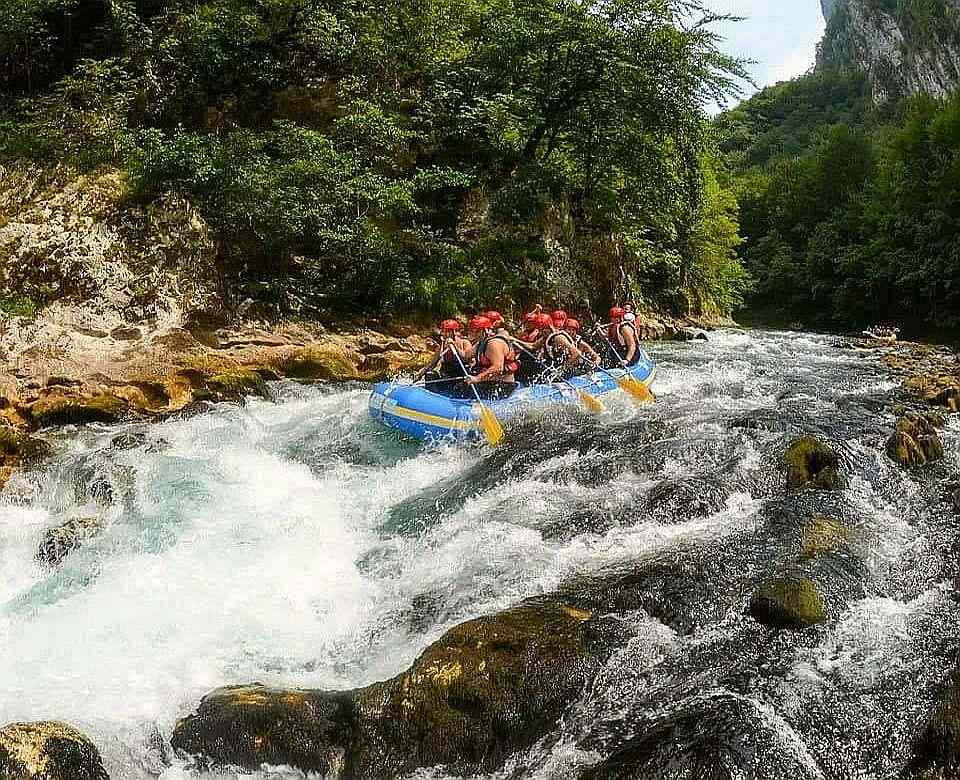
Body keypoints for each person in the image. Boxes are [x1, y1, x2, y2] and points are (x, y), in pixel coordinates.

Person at [455, 315, 519, 400]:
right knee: (459, 387)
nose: (471, 333)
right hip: (489, 382)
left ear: (483, 331)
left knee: (462, 390)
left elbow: (497, 368)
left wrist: (477, 378)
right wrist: (453, 344)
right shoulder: (481, 343)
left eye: (475, 331)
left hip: (502, 385)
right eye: (472, 330)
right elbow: (465, 355)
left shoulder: (494, 344)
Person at [414, 319, 471, 396]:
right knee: (430, 375)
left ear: (454, 332)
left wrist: (454, 347)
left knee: (460, 387)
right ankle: (431, 399)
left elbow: (467, 358)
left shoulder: (465, 343)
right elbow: (432, 364)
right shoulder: (441, 346)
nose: (444, 334)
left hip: (460, 376)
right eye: (443, 331)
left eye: (447, 331)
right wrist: (420, 374)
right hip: (446, 375)